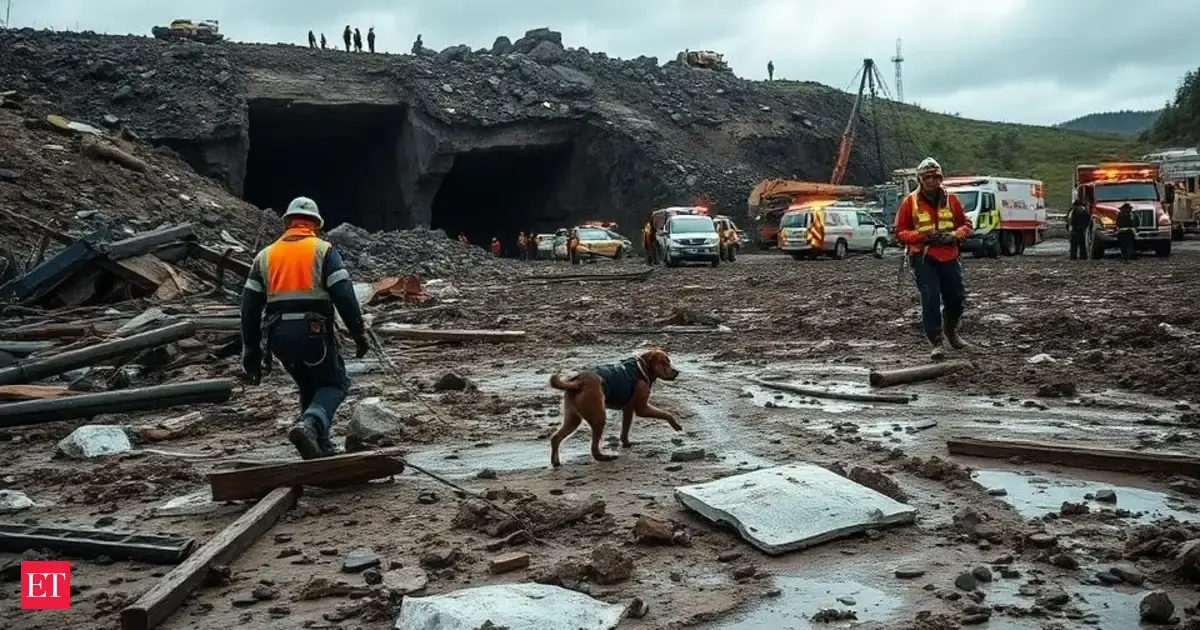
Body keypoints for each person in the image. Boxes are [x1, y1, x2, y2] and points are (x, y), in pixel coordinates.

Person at [240, 197, 369, 459]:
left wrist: (250, 348)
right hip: (313, 333)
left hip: (278, 337)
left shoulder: (265, 256)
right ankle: (310, 425)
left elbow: (249, 308)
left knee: (308, 386)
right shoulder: (323, 250)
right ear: (316, 225)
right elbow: (343, 294)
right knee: (335, 384)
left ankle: (317, 444)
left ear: (287, 222)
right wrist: (358, 331)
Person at [893, 157, 972, 360]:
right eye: (927, 177)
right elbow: (899, 232)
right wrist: (922, 236)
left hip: (949, 255)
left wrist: (954, 235)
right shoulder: (909, 202)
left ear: (941, 178)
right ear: (920, 180)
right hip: (923, 257)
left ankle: (951, 330)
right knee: (930, 297)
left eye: (936, 177)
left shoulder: (952, 200)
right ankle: (936, 341)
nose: (932, 181)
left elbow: (965, 224)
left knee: (956, 298)